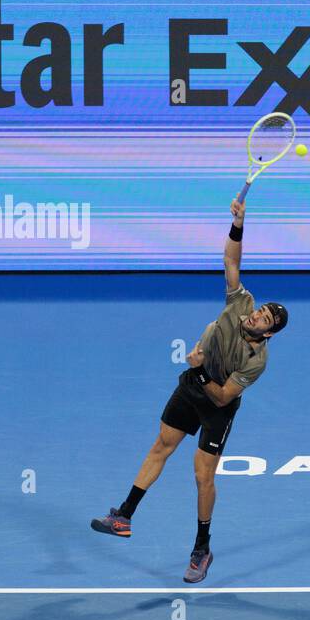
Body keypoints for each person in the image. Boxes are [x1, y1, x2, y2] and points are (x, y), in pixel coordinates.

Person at [90, 197, 287, 583]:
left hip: (215, 403)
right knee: (162, 444)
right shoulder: (239, 302)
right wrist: (238, 225)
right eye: (260, 310)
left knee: (202, 477)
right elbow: (231, 261)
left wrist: (197, 372)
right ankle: (124, 516)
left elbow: (223, 397)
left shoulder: (256, 361)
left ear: (268, 333)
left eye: (263, 318)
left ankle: (201, 548)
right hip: (193, 385)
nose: (256, 314)